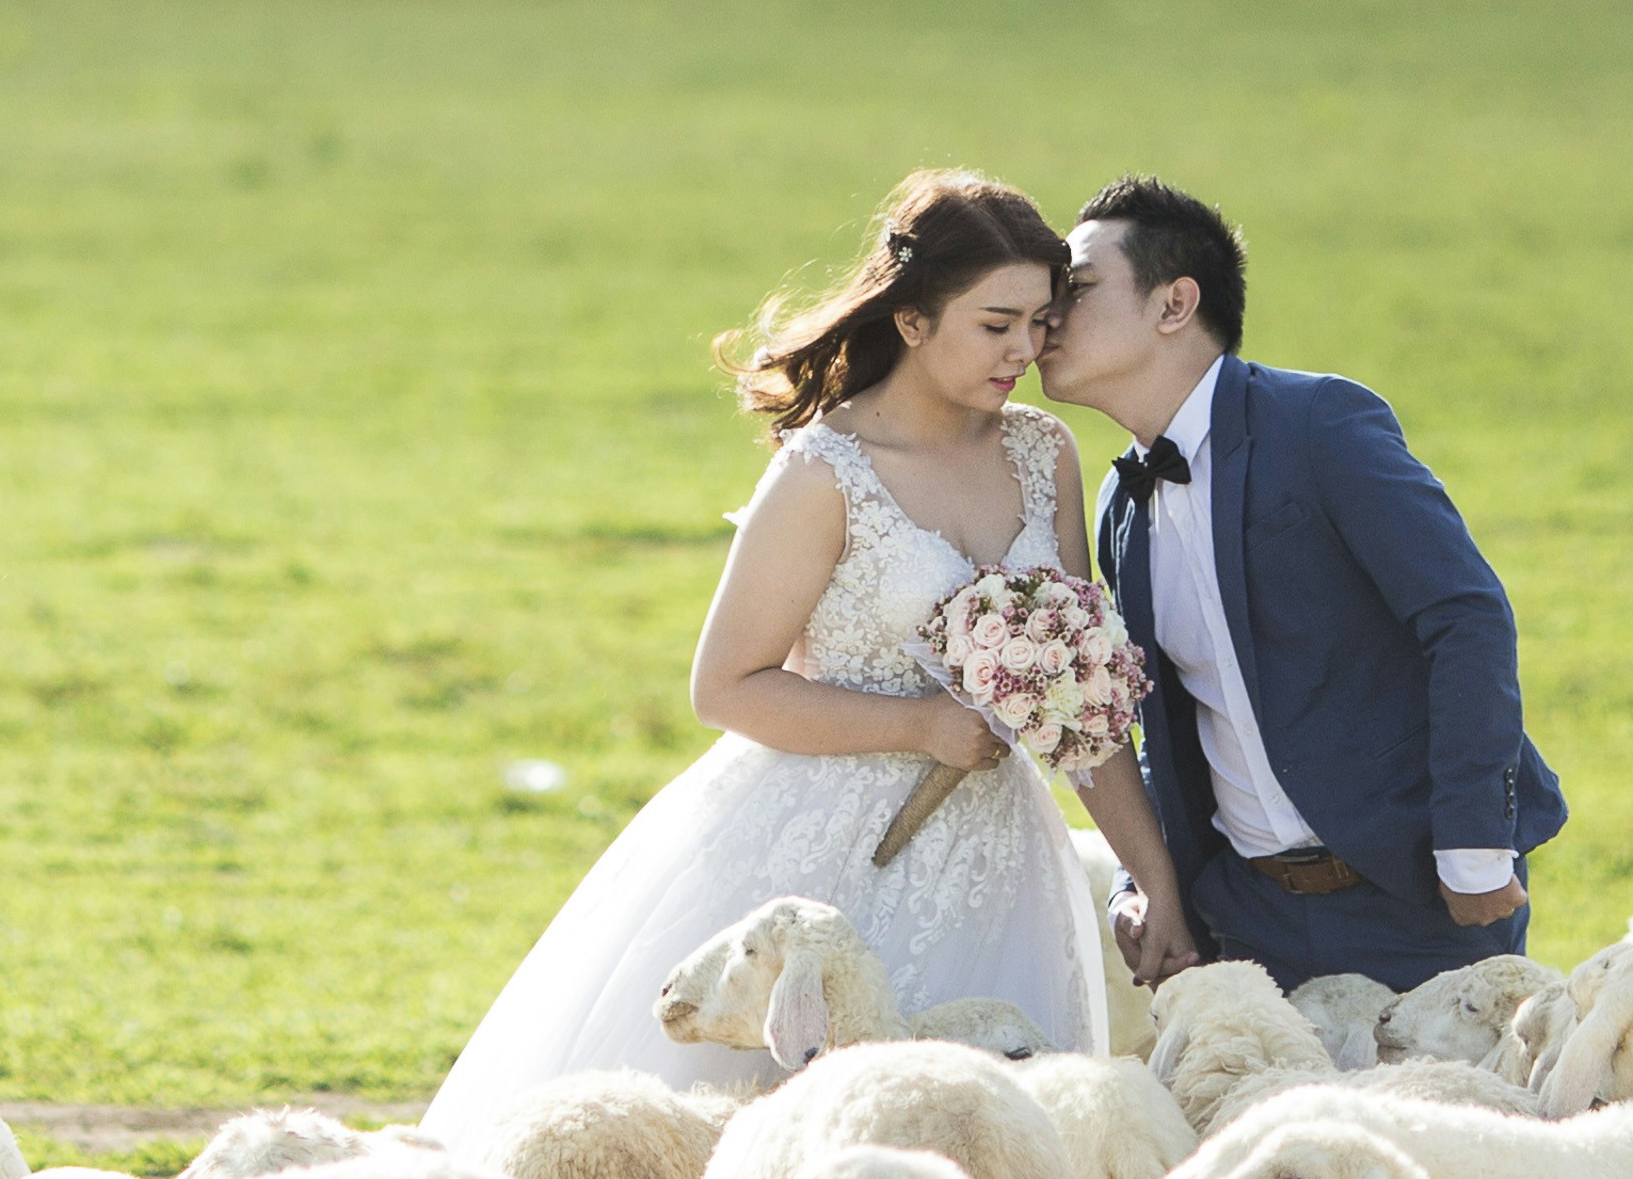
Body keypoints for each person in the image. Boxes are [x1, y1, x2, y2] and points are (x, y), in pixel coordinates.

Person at [425, 172, 1200, 1122]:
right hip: (824, 847)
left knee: (987, 1130)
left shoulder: (1046, 453)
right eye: (995, 324)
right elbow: (728, 687)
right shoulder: (826, 471)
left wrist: (1153, 878)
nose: (1025, 351)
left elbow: (1079, 701)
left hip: (996, 859)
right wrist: (922, 723)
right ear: (912, 321)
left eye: (1041, 322)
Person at [1032, 174, 1559, 991]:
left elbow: (1465, 618)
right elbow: (1159, 722)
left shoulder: (1318, 425)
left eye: (1079, 288)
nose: (1047, 316)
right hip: (1246, 922)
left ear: (1175, 304)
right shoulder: (1118, 503)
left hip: (1417, 901)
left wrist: (1472, 849)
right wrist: (1148, 884)